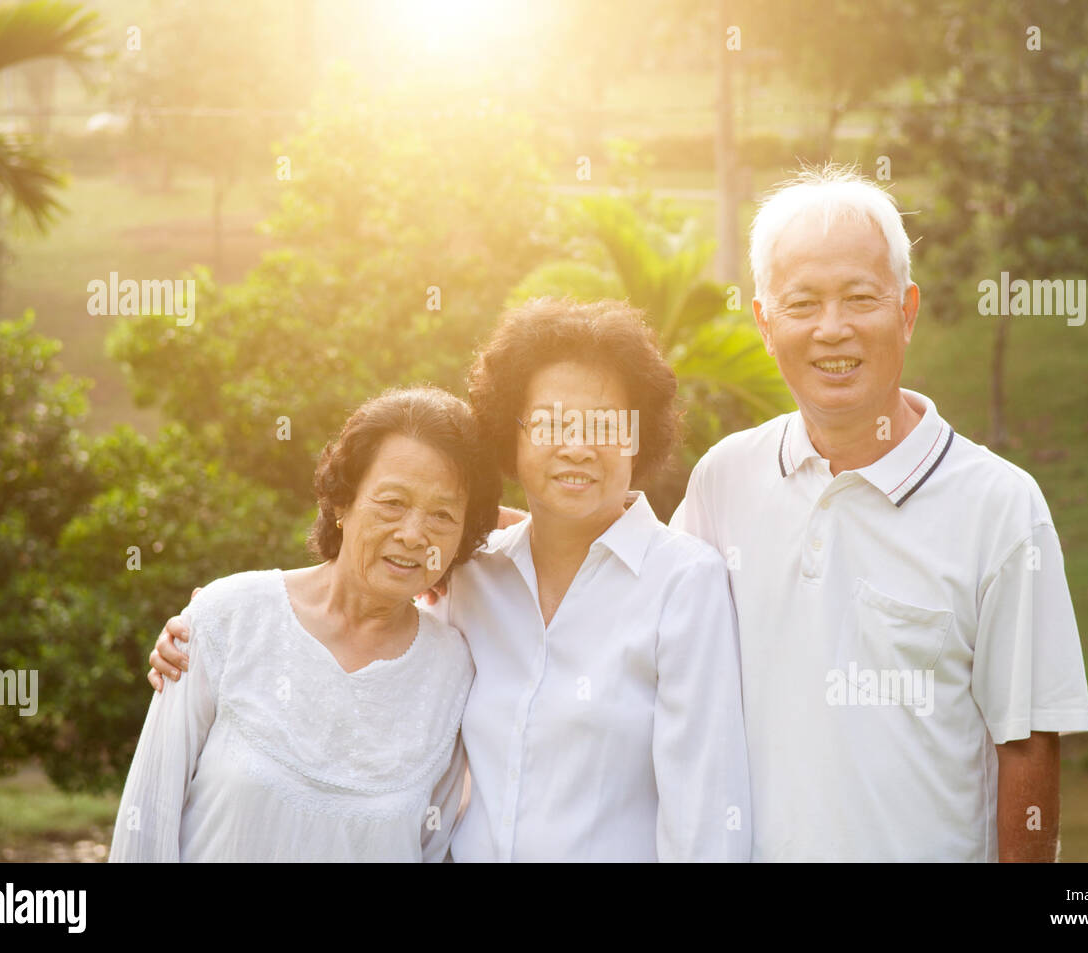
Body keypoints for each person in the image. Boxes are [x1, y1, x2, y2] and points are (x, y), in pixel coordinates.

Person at [149, 299, 753, 862]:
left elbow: (704, 817)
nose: (576, 447)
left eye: (604, 425)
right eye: (549, 424)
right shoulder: (472, 576)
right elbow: (368, 575)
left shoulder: (684, 585)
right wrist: (225, 620)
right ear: (509, 441)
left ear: (638, 435)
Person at [668, 165, 1088, 861]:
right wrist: (500, 537)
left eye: (860, 298)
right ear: (764, 321)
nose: (831, 329)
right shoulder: (724, 480)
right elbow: (640, 605)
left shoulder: (1000, 507)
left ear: (907, 310)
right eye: (801, 303)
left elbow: (1027, 741)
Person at [110, 386, 501, 862]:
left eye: (443, 514)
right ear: (342, 502)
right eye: (392, 502)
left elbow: (431, 850)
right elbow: (147, 822)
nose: (414, 534)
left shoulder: (455, 671)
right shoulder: (227, 617)